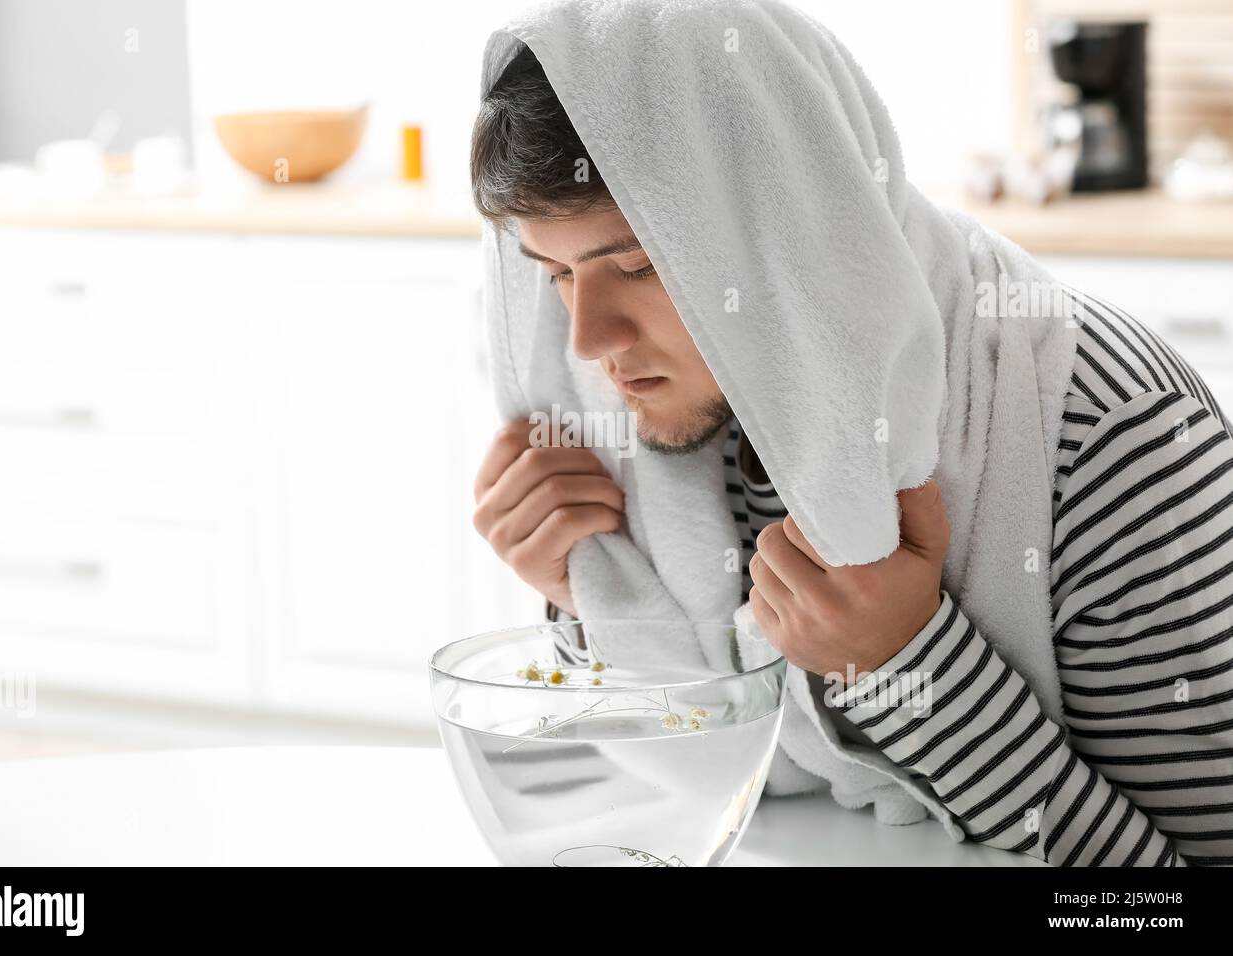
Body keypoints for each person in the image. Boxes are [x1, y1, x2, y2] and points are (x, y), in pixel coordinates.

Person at [468, 39, 1233, 866]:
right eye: (555, 274)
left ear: (793, 225)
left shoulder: (1113, 441)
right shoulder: (647, 421)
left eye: (640, 265)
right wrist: (591, 586)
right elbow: (723, 778)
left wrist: (906, 665)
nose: (588, 341)